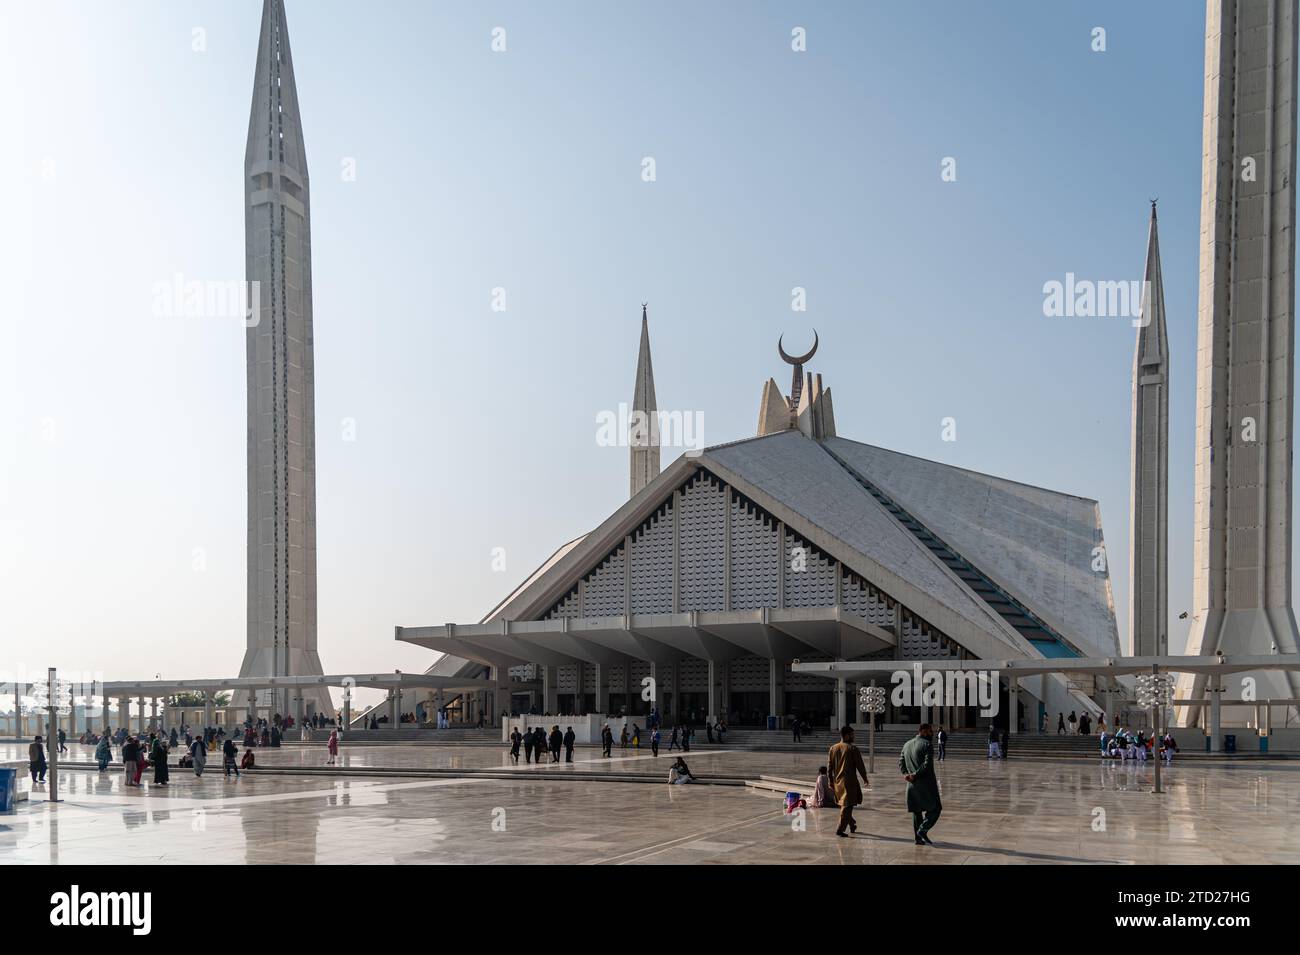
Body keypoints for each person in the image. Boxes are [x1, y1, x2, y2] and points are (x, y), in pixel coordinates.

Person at [900, 724, 942, 846]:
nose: (932, 734)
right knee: (935, 808)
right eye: (930, 731)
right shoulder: (927, 745)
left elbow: (901, 761)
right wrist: (915, 774)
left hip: (912, 785)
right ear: (923, 731)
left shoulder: (907, 744)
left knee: (916, 811)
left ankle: (918, 839)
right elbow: (927, 764)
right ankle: (922, 830)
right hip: (926, 784)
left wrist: (906, 774)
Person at [827, 725, 869, 837]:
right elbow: (860, 765)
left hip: (837, 782)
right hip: (849, 782)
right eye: (852, 735)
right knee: (847, 805)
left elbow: (829, 767)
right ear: (846, 735)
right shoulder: (852, 749)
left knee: (845, 804)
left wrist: (830, 780)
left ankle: (852, 823)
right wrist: (865, 778)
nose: (854, 737)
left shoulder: (833, 748)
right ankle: (840, 829)